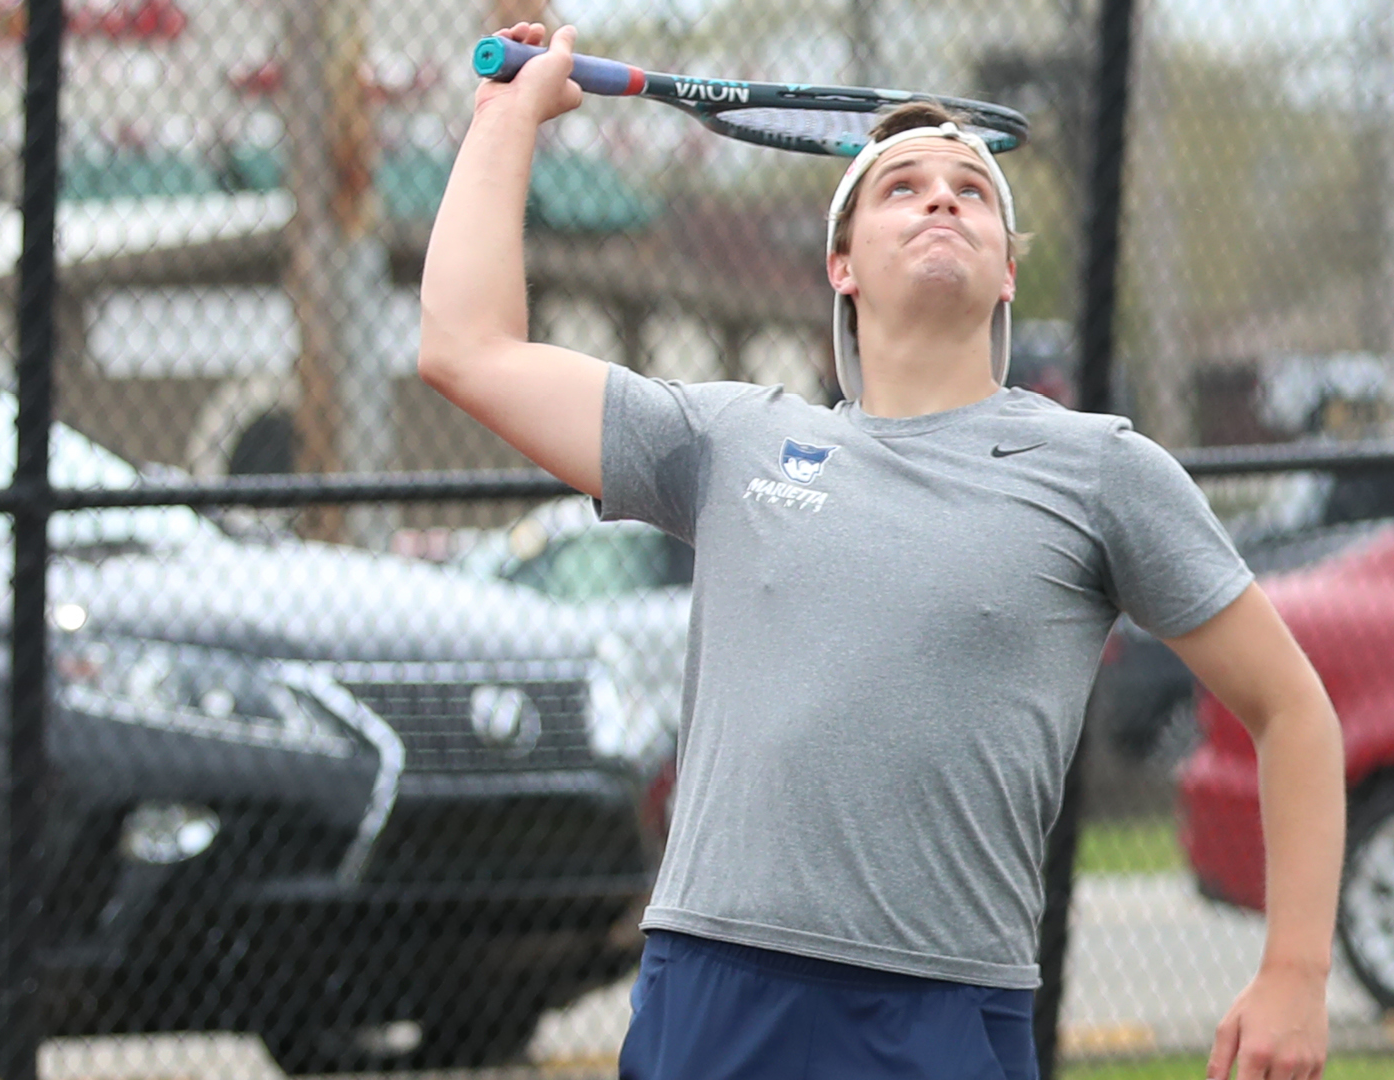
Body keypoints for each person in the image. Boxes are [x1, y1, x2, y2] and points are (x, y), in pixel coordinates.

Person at [420, 22, 1344, 1080]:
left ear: (1008, 272)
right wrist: (507, 120)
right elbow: (465, 346)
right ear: (841, 264)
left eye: (973, 188)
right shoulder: (729, 438)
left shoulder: (1102, 472)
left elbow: (1292, 709)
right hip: (715, 990)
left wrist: (1296, 973)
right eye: (901, 186)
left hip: (946, 1009)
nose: (943, 197)